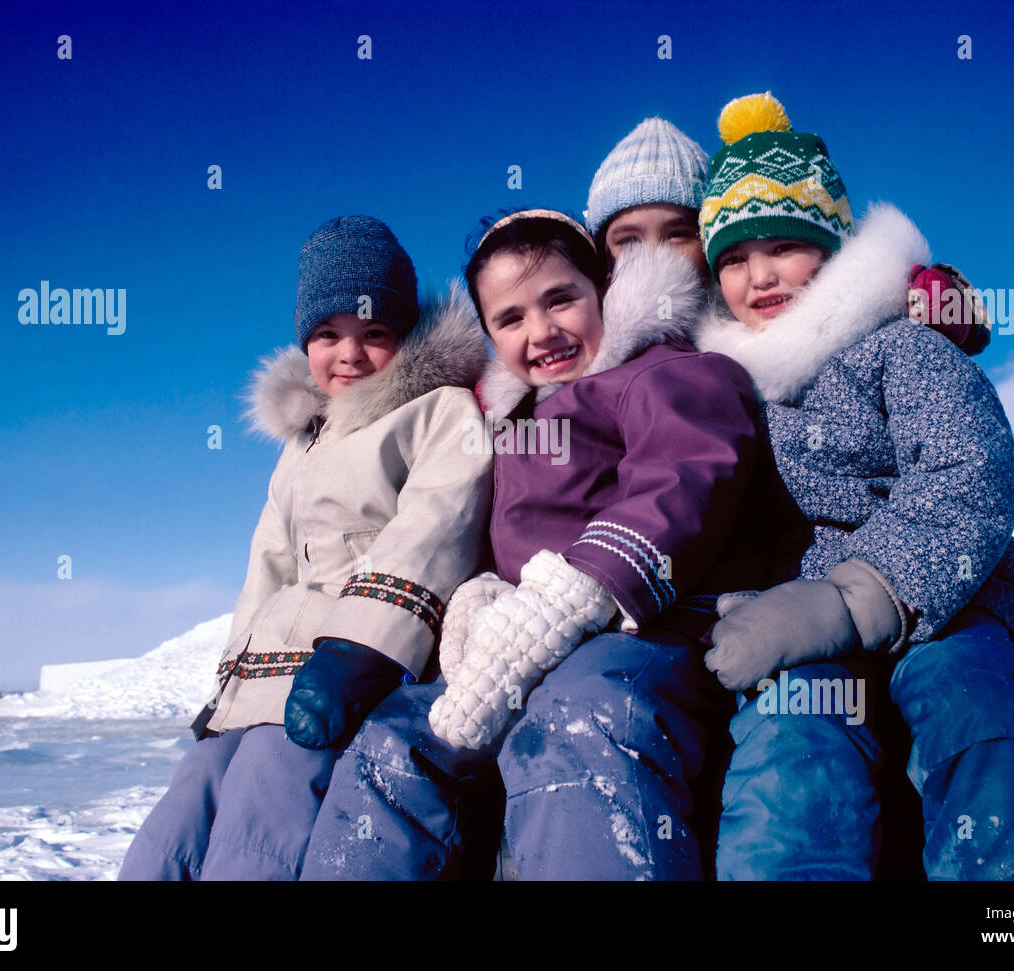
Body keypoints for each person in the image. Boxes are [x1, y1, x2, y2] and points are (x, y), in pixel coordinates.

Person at [694, 93, 1014, 879]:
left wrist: (852, 597)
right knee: (791, 734)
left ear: (833, 250)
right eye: (733, 258)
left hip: (946, 599)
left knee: (973, 712)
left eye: (783, 245)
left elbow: (964, 474)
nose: (759, 274)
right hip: (805, 623)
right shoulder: (738, 387)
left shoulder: (901, 344)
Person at [299, 209, 758, 880]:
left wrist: (580, 589)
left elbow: (687, 473)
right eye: (510, 319)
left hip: (647, 631)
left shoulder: (659, 371)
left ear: (601, 288)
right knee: (398, 736)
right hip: (519, 649)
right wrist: (481, 595)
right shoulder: (511, 419)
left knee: (581, 718)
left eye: (561, 299)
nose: (541, 331)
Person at [118, 214, 491, 880]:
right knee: (194, 789)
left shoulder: (437, 411)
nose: (350, 353)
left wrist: (360, 647)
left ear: (404, 336)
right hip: (269, 674)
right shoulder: (301, 443)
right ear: (305, 341)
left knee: (270, 786)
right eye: (329, 334)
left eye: (374, 333)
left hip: (360, 667)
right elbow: (268, 568)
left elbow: (436, 522)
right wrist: (226, 686)